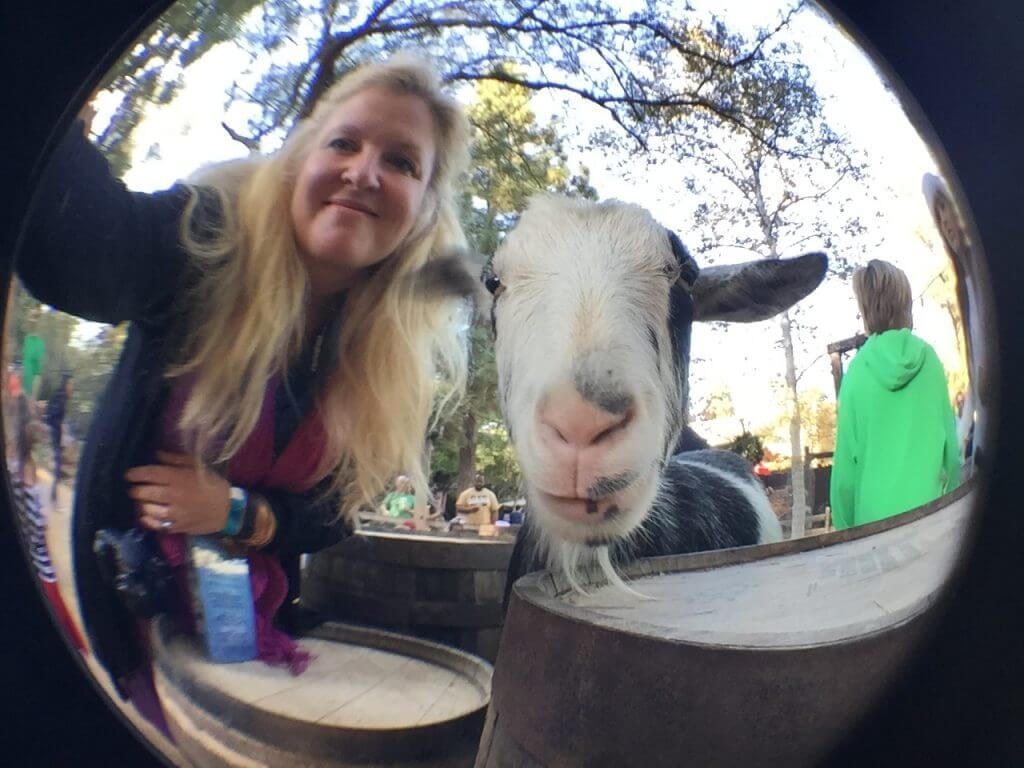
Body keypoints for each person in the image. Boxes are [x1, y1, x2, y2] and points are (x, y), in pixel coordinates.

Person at [16, 52, 473, 736]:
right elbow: (85, 258)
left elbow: (333, 513)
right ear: (297, 161)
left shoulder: (384, 355)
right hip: (132, 623)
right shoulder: (206, 237)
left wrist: (235, 512)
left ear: (423, 213)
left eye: (403, 162)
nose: (363, 171)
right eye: (343, 142)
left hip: (254, 641)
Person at [830, 260, 961, 530]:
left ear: (865, 308)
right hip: (931, 520)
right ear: (906, 303)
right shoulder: (929, 360)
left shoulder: (856, 373)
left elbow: (844, 474)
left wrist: (846, 534)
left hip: (874, 531)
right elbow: (951, 451)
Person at [44, 373, 72, 500]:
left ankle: (54, 492)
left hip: (55, 433)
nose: (71, 388)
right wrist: (59, 426)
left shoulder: (59, 396)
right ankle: (53, 493)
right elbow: (53, 416)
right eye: (70, 385)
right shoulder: (61, 397)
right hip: (54, 434)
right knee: (57, 462)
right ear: (66, 384)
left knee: (58, 462)